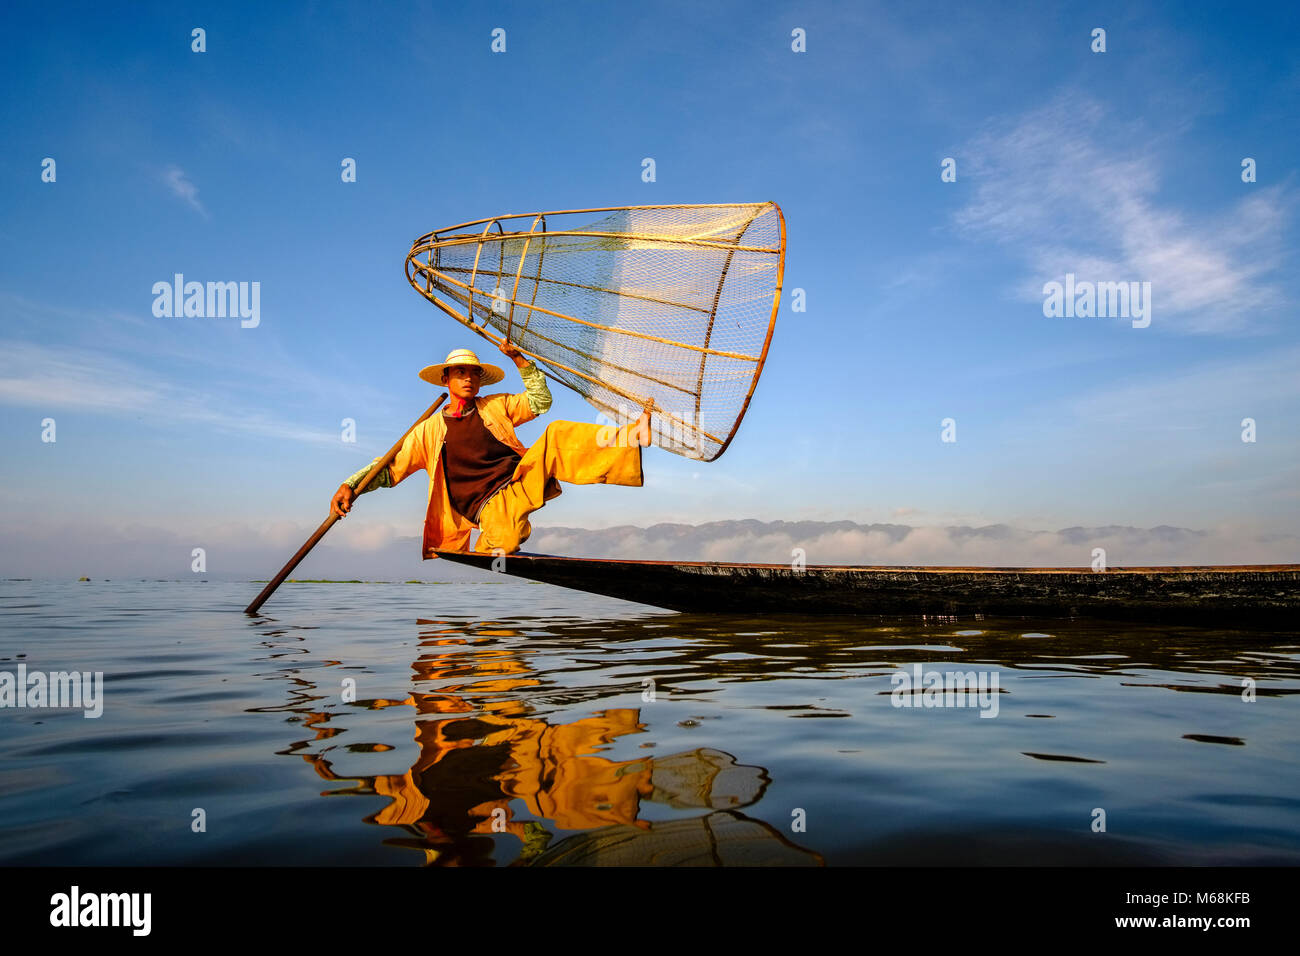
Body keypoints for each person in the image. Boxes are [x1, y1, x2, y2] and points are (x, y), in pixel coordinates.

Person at [330, 341, 652, 557]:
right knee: (504, 543)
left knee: (556, 434)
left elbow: (541, 402)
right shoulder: (428, 430)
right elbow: (388, 467)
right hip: (486, 506)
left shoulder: (494, 407)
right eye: (460, 373)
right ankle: (499, 537)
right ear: (446, 380)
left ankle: (632, 437)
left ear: (481, 382)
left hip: (518, 480)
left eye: (474, 374)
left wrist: (518, 359)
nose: (468, 379)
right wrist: (351, 486)